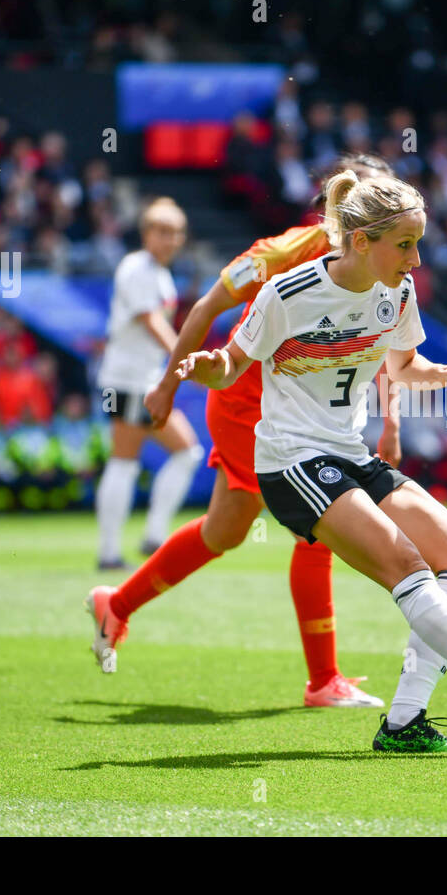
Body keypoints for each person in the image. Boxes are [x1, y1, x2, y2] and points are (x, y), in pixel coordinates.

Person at [172, 170, 447, 752]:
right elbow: (231, 367)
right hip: (292, 460)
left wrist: (445, 373)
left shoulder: (396, 291)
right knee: (408, 564)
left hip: (350, 454)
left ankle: (403, 724)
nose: (416, 259)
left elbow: (401, 368)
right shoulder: (288, 293)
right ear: (361, 241)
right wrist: (203, 365)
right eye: (406, 244)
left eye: (418, 244)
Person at [86, 155, 398, 708]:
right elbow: (208, 305)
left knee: (223, 533)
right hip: (246, 406)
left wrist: (391, 419)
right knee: (321, 519)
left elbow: (384, 346)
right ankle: (324, 681)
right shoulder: (285, 252)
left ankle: (117, 602)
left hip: (302, 411)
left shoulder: (383, 262)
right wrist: (165, 387)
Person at [94, 197, 204, 569]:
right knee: (138, 459)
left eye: (176, 233)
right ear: (146, 234)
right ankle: (127, 546)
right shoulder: (138, 269)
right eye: (162, 232)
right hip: (128, 380)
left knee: (167, 455)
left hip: (132, 379)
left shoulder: (154, 271)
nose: (170, 240)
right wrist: (183, 360)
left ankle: (137, 542)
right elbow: (151, 321)